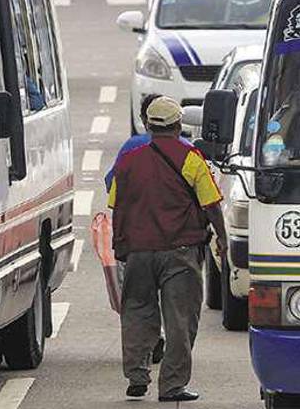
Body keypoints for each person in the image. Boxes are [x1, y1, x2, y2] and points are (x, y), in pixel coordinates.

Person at [107, 95, 228, 402]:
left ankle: (137, 376)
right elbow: (211, 205)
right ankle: (172, 386)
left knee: (136, 312)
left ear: (148, 125)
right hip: (180, 250)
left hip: (138, 250)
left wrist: (121, 245)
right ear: (178, 125)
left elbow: (115, 204)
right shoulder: (191, 158)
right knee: (180, 319)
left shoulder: (128, 160)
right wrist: (224, 240)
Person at [104, 94, 166, 365]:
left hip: (135, 242)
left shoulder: (131, 148)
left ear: (144, 120)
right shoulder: (186, 149)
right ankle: (165, 345)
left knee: (137, 301)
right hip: (176, 242)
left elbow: (112, 189)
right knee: (173, 300)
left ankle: (138, 364)